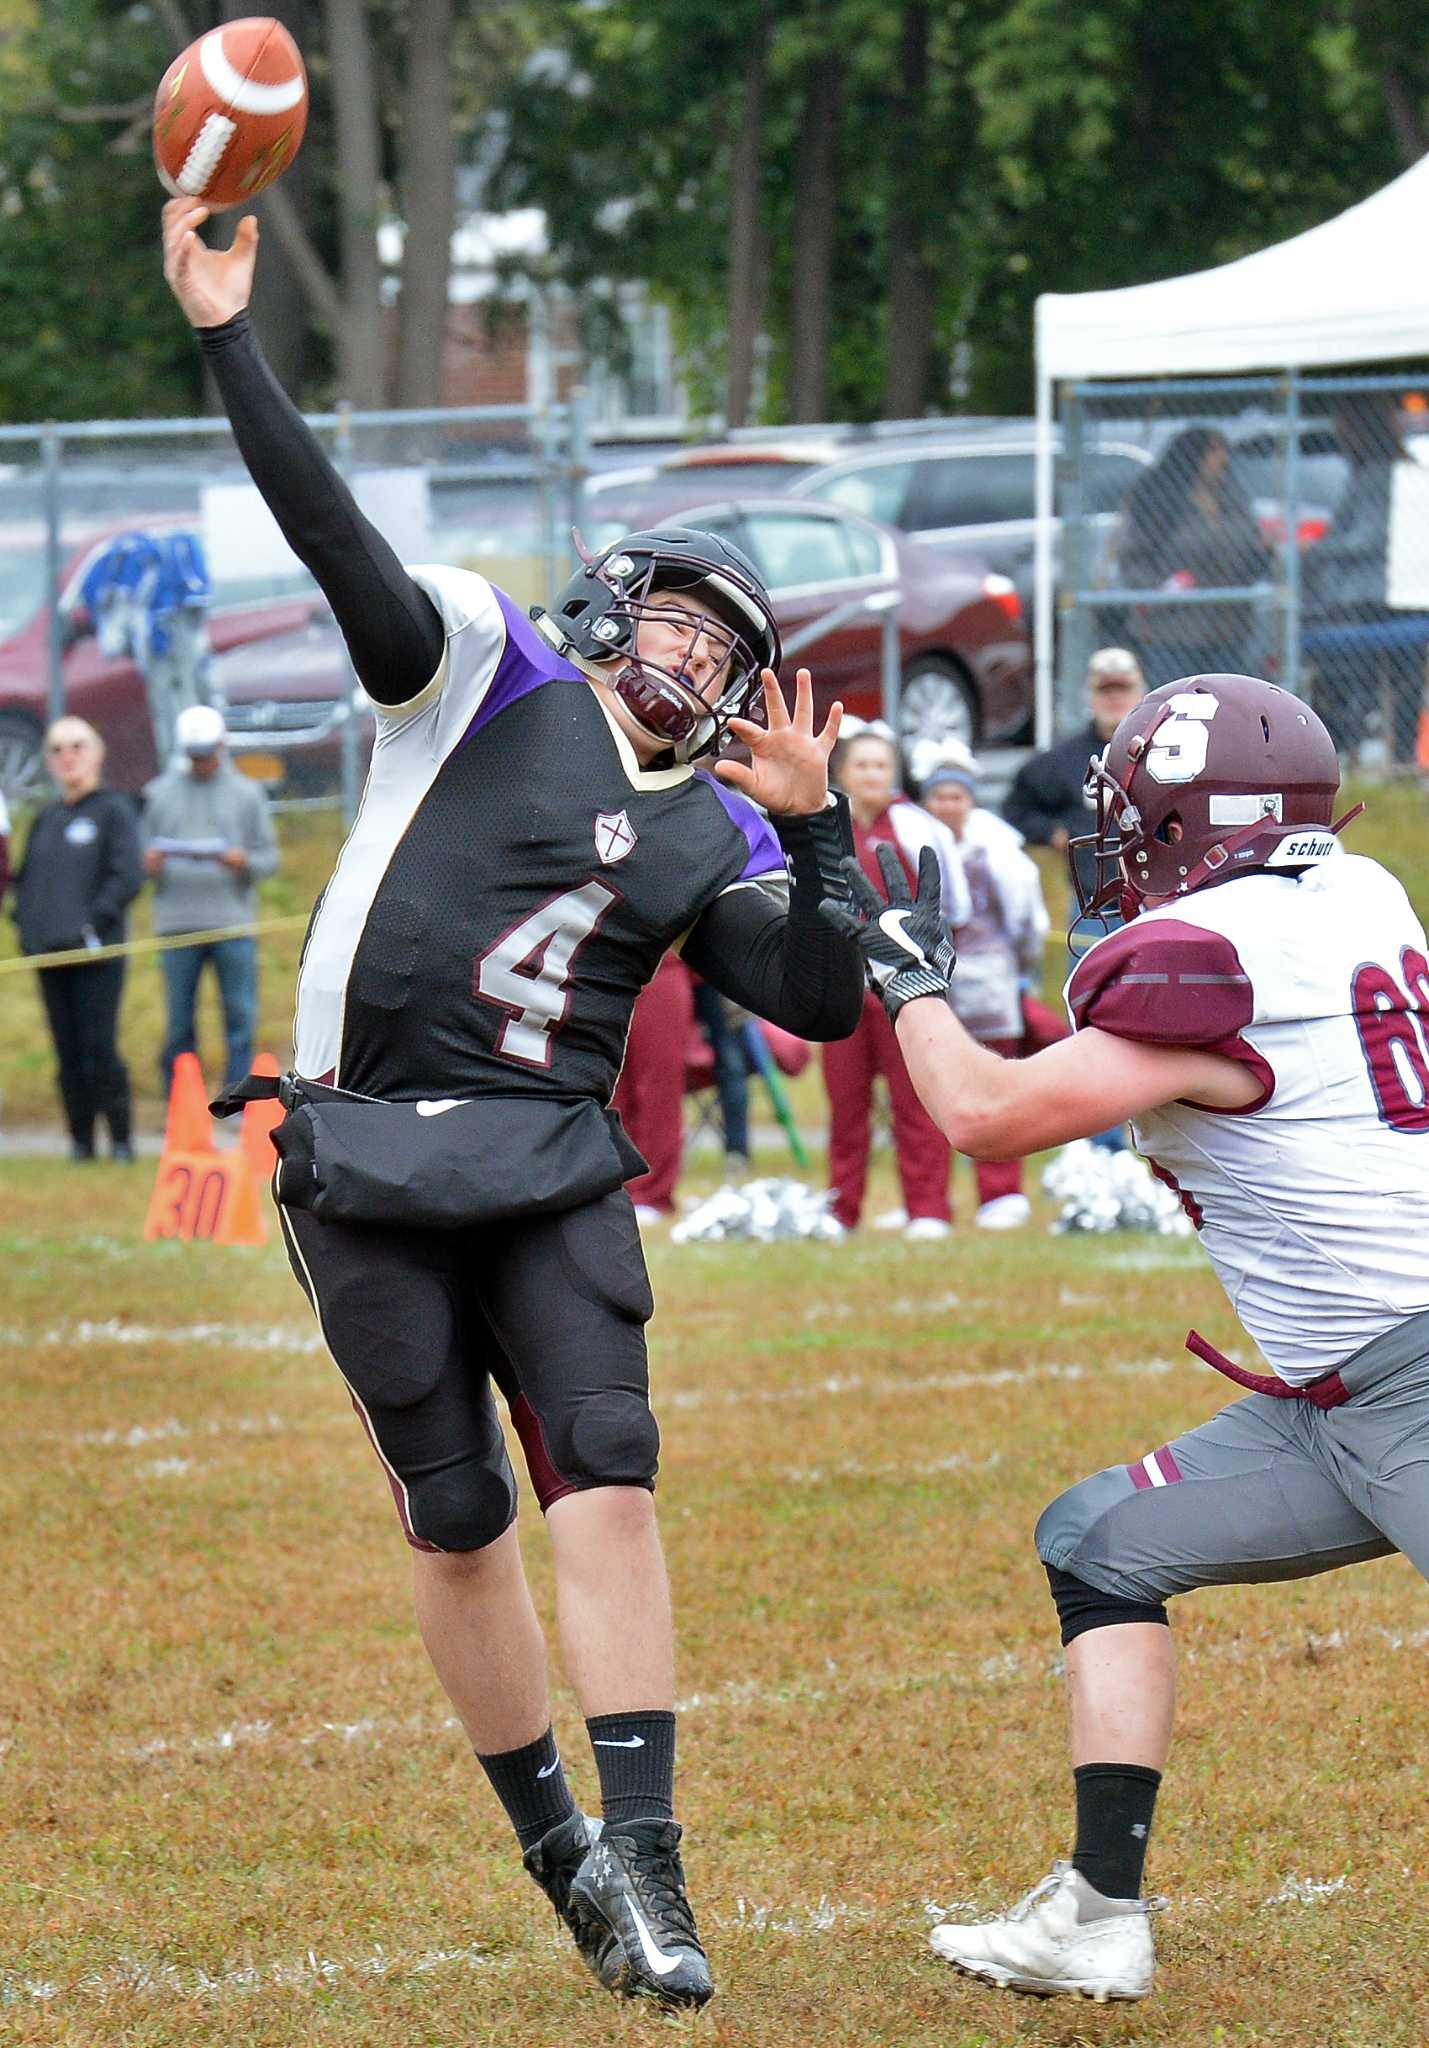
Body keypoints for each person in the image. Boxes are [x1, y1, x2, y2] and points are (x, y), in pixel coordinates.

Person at [161, 196, 863, 2011]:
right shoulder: (476, 664)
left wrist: (815, 821)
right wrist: (230, 335)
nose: (696, 659)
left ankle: (650, 1860)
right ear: (611, 596)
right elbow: (340, 545)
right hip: (358, 1137)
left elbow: (811, 991)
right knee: (456, 1507)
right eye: (683, 620)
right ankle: (553, 1839)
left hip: (546, 1153)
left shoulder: (713, 816)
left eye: (730, 646)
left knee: (606, 1478)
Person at [824, 671, 1429, 2004]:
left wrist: (911, 981)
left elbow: (980, 1113)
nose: (1115, 839)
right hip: (1335, 1402)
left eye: (1136, 813)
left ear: (1186, 822)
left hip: (1412, 1377)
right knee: (1100, 1541)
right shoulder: (1359, 893)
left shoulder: (1208, 957)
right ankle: (1097, 1914)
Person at [822, 728, 968, 1239]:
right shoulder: (823, 827)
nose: (871, 775)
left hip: (907, 992)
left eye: (881, 766)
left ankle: (927, 1208)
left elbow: (956, 906)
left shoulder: (915, 828)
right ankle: (841, 1209)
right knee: (846, 1106)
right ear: (841, 772)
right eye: (861, 765)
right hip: (843, 990)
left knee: (916, 1100)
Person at [918, 749, 1050, 1229]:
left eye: (956, 795)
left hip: (989, 980)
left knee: (997, 1085)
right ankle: (929, 1201)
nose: (947, 805)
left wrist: (1020, 968)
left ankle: (1001, 1193)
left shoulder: (998, 852)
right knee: (932, 1090)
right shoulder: (917, 846)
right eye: (938, 795)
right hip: (934, 986)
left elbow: (1025, 920)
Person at [11, 718, 143, 1161]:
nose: (67, 757)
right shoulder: (46, 818)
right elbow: (27, 882)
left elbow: (126, 876)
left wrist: (94, 923)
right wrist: (27, 932)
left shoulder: (112, 811)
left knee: (98, 1049)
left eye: (77, 746)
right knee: (67, 1053)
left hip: (96, 954)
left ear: (97, 753)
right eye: (57, 750)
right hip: (49, 955)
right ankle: (80, 1142)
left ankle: (121, 1139)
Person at [143, 703, 279, 1093]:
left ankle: (235, 1099)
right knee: (179, 1021)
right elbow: (138, 859)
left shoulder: (247, 794)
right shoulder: (157, 794)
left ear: (222, 746)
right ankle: (180, 1100)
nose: (200, 763)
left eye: (206, 754)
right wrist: (150, 863)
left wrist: (242, 861)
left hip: (232, 922)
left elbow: (269, 857)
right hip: (177, 924)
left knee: (239, 1015)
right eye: (193, 756)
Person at [1302, 392, 1429, 769]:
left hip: (1369, 596)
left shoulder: (1380, 472)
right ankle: (1385, 751)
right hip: (1372, 596)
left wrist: (1319, 550)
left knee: (1375, 677)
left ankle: (1381, 753)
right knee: (1392, 679)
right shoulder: (1375, 471)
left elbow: (1369, 536)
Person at [1115, 427, 1272, 689]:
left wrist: (1264, 550)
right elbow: (1133, 561)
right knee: (1177, 704)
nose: (1221, 459)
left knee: (1227, 706)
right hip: (1172, 631)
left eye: (1223, 451)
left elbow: (1249, 558)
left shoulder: (1233, 501)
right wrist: (1163, 589)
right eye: (1213, 451)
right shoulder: (1159, 502)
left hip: (1228, 629)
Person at [1003, 648, 1145, 918]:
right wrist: (1051, 833)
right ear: (1089, 696)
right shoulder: (1060, 760)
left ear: (1141, 693)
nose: (1114, 697)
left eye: (1123, 688)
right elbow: (1017, 808)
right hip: (1092, 905)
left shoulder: (1161, 751)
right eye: (1105, 690)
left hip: (1151, 896)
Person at [610, 951, 696, 1225]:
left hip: (659, 967)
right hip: (604, 972)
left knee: (658, 1092)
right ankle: (613, 1188)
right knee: (611, 1092)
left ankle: (652, 1194)